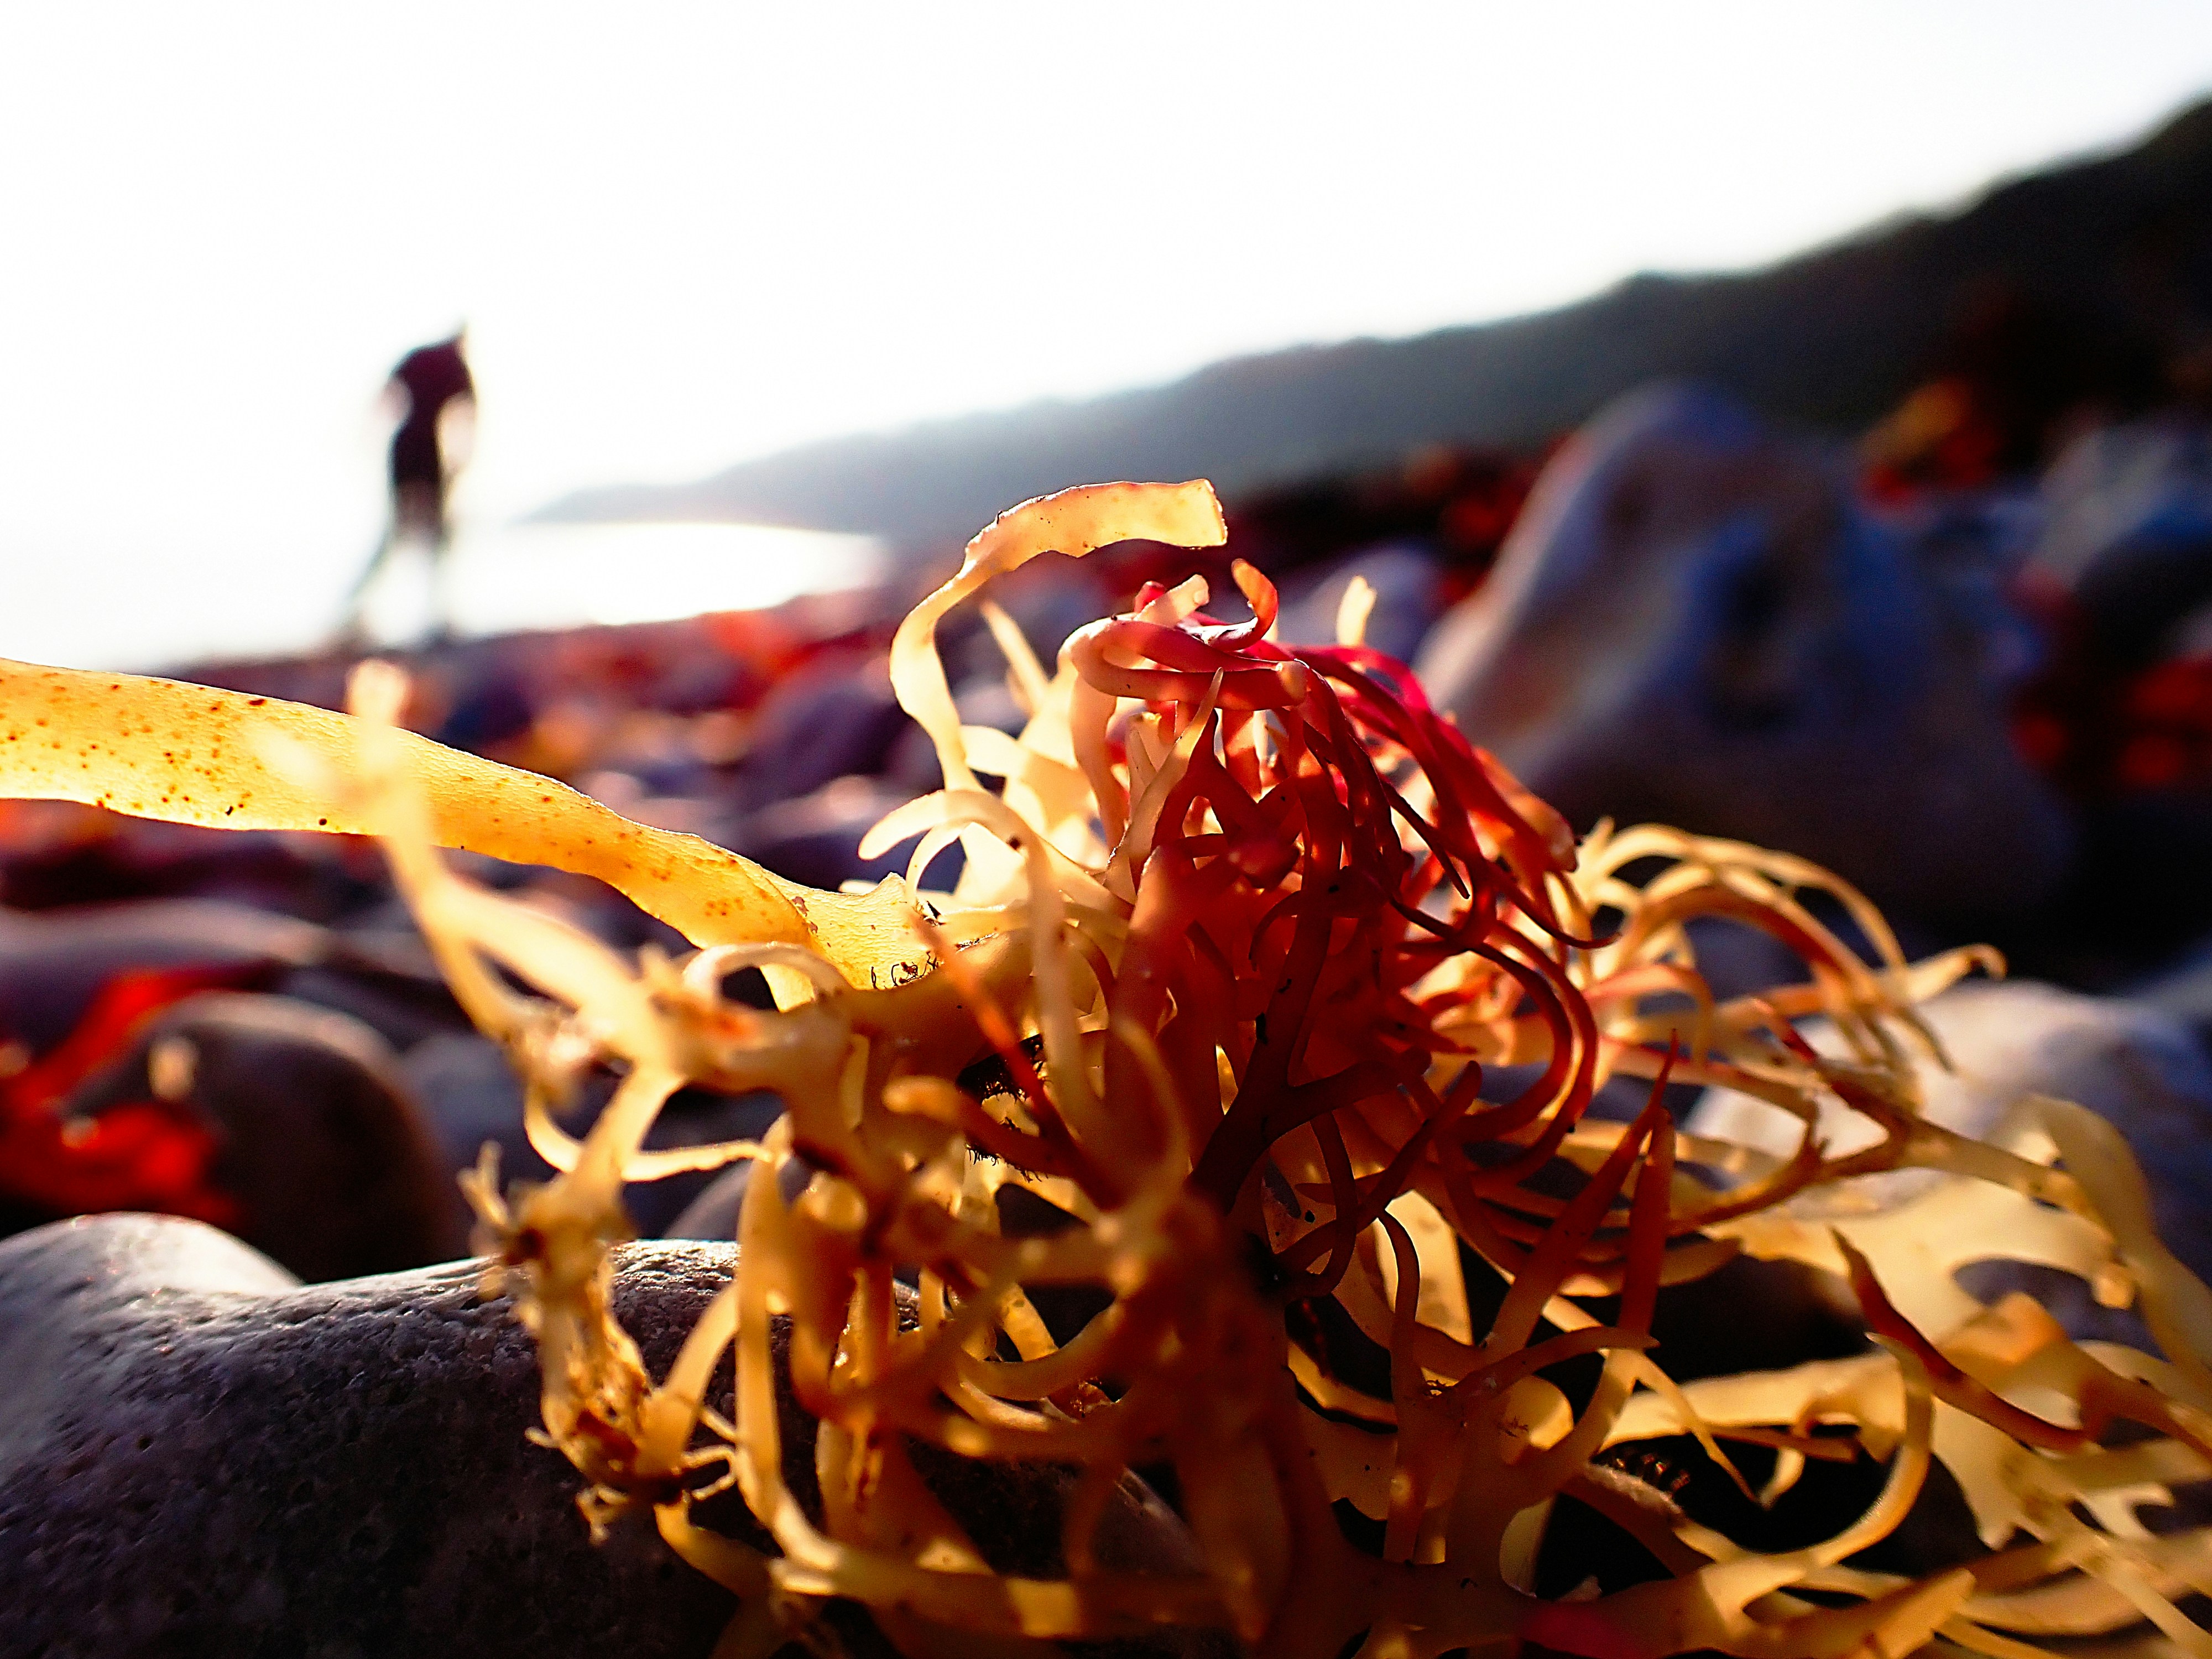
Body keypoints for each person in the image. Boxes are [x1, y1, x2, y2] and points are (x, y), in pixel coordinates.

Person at [341, 329, 476, 641]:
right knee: (434, 538)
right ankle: (434, 620)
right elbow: (469, 416)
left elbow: (385, 394)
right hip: (426, 453)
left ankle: (360, 613)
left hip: (405, 450)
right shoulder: (455, 363)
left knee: (400, 537)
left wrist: (366, 434)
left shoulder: (420, 357)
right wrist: (460, 463)